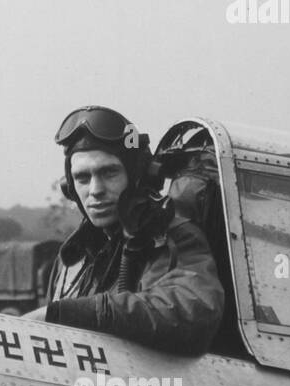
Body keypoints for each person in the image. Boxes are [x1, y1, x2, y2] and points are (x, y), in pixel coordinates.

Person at [32, 106, 225, 356]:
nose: (95, 190)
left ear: (135, 176)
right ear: (70, 187)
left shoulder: (169, 237)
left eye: (109, 172)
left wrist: (65, 314)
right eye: (82, 178)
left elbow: (190, 310)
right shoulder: (72, 259)